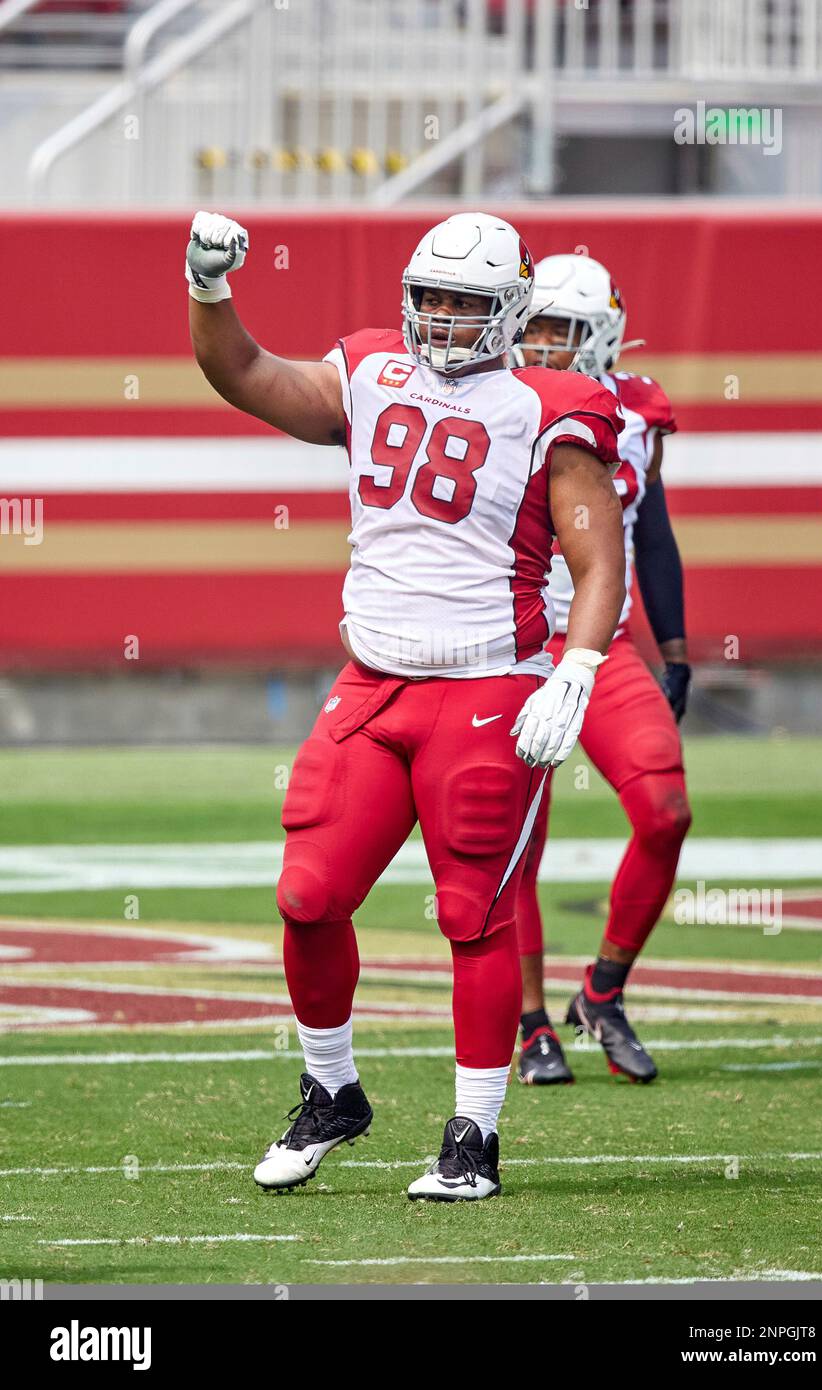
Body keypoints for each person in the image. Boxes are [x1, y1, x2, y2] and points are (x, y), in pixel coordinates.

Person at [187, 210, 625, 1199]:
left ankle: (472, 1136)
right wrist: (208, 290)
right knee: (307, 893)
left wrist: (574, 670)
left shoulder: (547, 405)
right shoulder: (372, 367)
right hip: (373, 679)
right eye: (429, 296)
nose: (440, 317)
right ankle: (332, 1091)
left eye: (464, 302)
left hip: (486, 684)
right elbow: (245, 371)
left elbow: (599, 557)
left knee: (473, 913)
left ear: (508, 310)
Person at [513, 253, 692, 1086]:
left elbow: (652, 531)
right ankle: (530, 1024)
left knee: (665, 810)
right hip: (511, 650)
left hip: (604, 648)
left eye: (564, 329)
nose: (547, 344)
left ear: (603, 335)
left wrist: (677, 649)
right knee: (511, 843)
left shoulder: (638, 411)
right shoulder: (495, 401)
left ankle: (603, 992)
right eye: (537, 327)